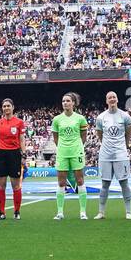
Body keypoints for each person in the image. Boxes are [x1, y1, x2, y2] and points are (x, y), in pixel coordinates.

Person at [93, 91, 131, 220]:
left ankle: (128, 212)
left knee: (124, 183)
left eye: (114, 97)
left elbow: (128, 134)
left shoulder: (125, 116)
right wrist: (107, 145)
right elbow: (100, 135)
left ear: (117, 99)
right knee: (105, 184)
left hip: (121, 154)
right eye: (109, 98)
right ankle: (101, 212)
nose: (112, 99)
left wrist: (123, 146)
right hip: (105, 154)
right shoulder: (101, 117)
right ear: (106, 101)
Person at [50, 92, 89, 220]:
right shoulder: (57, 119)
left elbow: (84, 135)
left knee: (80, 180)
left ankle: (83, 212)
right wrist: (62, 147)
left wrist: (78, 147)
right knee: (61, 182)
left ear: (73, 103)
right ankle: (60, 212)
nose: (65, 103)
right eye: (63, 101)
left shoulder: (80, 118)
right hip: (62, 152)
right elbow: (56, 138)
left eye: (67, 101)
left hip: (76, 151)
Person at [0, 98, 25, 220]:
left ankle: (16, 211)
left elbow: (21, 139)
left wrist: (23, 154)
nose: (6, 108)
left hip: (14, 154)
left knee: (15, 185)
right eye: (4, 106)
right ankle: (1, 212)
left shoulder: (19, 122)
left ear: (13, 107)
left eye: (8, 106)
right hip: (1, 154)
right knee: (1, 185)